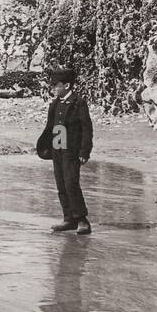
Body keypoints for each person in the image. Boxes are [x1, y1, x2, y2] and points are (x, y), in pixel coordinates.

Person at [36, 67, 93, 234]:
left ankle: (82, 219)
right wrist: (45, 148)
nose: (54, 88)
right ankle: (69, 218)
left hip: (71, 150)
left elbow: (87, 129)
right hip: (57, 149)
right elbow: (50, 127)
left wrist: (84, 151)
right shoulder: (55, 104)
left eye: (56, 85)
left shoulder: (78, 102)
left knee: (71, 183)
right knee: (61, 184)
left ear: (67, 85)